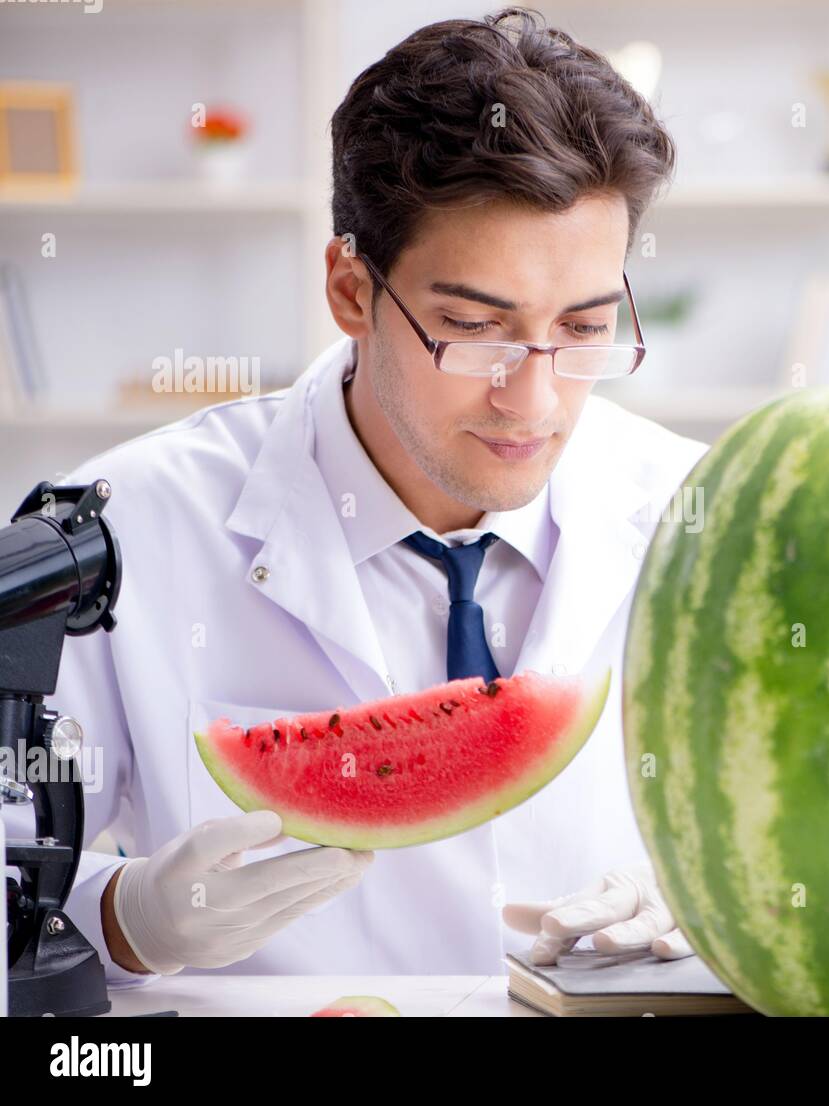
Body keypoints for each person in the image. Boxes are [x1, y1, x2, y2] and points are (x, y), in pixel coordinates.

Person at [39, 8, 706, 982]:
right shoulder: (122, 528)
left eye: (584, 327)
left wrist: (723, 915)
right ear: (352, 290)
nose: (533, 395)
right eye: (473, 327)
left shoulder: (703, 518)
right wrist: (122, 918)